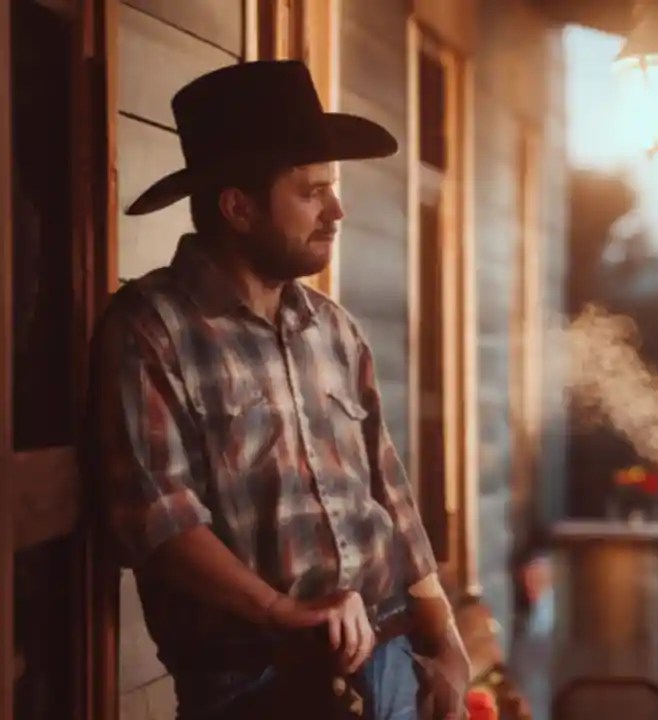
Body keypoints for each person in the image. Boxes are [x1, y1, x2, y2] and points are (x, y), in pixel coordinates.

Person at [89, 60, 471, 719]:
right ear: (238, 207)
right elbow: (156, 518)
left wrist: (447, 642)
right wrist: (281, 611)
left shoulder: (334, 330)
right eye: (311, 192)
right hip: (255, 684)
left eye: (334, 188)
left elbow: (391, 493)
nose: (337, 210)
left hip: (390, 659)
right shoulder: (152, 329)